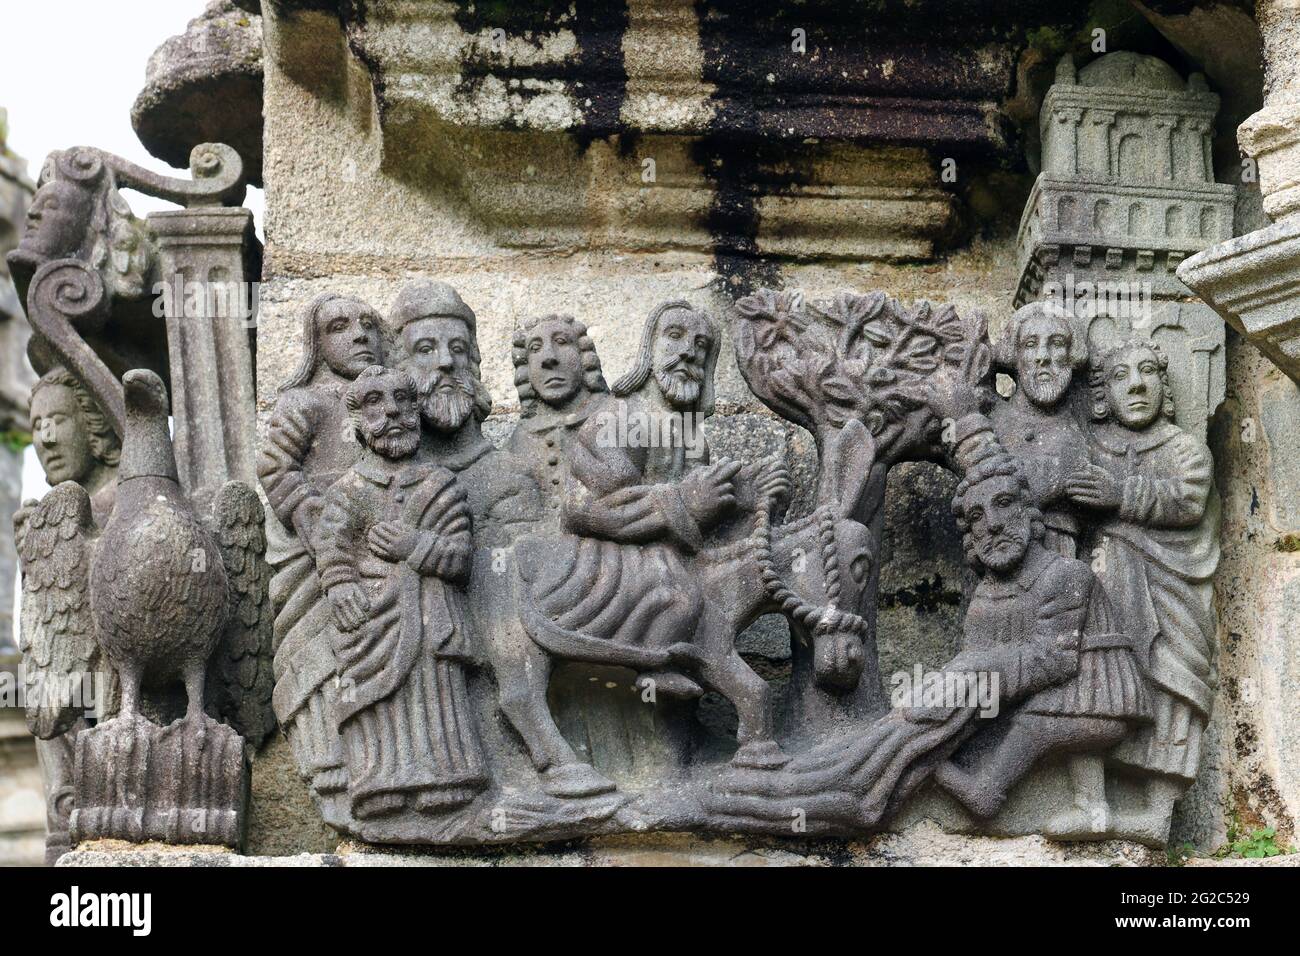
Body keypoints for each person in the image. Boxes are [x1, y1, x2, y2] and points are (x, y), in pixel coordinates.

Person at [1065, 338, 1219, 842]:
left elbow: (1188, 502)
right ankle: (1091, 801)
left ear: (1164, 387)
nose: (1136, 383)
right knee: (1095, 674)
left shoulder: (1183, 447)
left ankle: (1157, 815)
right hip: (1108, 583)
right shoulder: (1090, 444)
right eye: (1121, 375)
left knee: (1174, 682)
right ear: (1103, 393)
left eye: (1149, 371)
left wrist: (1119, 495)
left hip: (1172, 588)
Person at [317, 365, 486, 818]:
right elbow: (332, 551)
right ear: (356, 420)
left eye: (402, 400)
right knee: (376, 700)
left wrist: (416, 546)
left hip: (432, 615)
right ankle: (378, 782)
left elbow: (460, 556)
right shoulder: (349, 490)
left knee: (435, 696)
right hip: (373, 617)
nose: (391, 411)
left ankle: (447, 777)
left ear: (417, 410)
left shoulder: (441, 484)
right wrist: (340, 586)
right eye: (375, 402)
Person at [256, 293, 385, 803]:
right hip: (316, 548)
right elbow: (275, 466)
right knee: (316, 648)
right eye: (340, 326)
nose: (359, 335)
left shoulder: (392, 400)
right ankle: (329, 759)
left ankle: (379, 755)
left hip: (378, 541)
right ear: (316, 344)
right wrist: (313, 517)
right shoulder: (304, 403)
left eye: (370, 324)